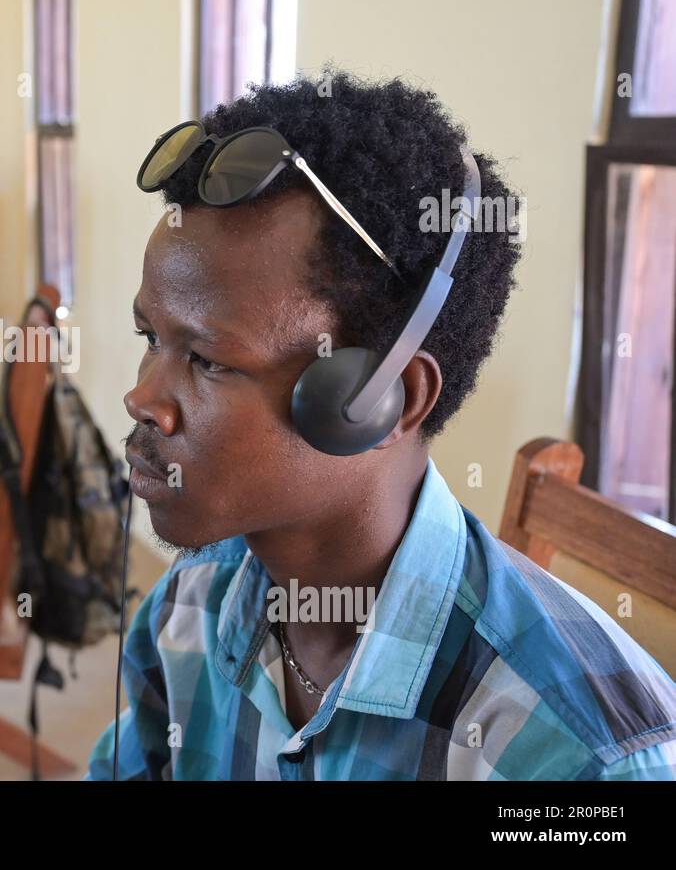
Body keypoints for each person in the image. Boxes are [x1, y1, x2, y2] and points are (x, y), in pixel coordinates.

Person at [89, 71, 676, 780]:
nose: (141, 397)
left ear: (377, 396)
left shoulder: (577, 760)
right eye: (149, 335)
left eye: (208, 360)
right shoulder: (186, 609)